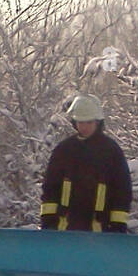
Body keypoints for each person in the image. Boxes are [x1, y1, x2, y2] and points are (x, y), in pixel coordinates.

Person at [40, 95, 131, 233]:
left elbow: (122, 191)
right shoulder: (64, 150)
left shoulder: (111, 152)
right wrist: (48, 223)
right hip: (65, 231)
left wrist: (118, 227)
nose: (84, 127)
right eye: (80, 122)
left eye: (89, 122)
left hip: (101, 232)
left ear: (98, 122)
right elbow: (50, 188)